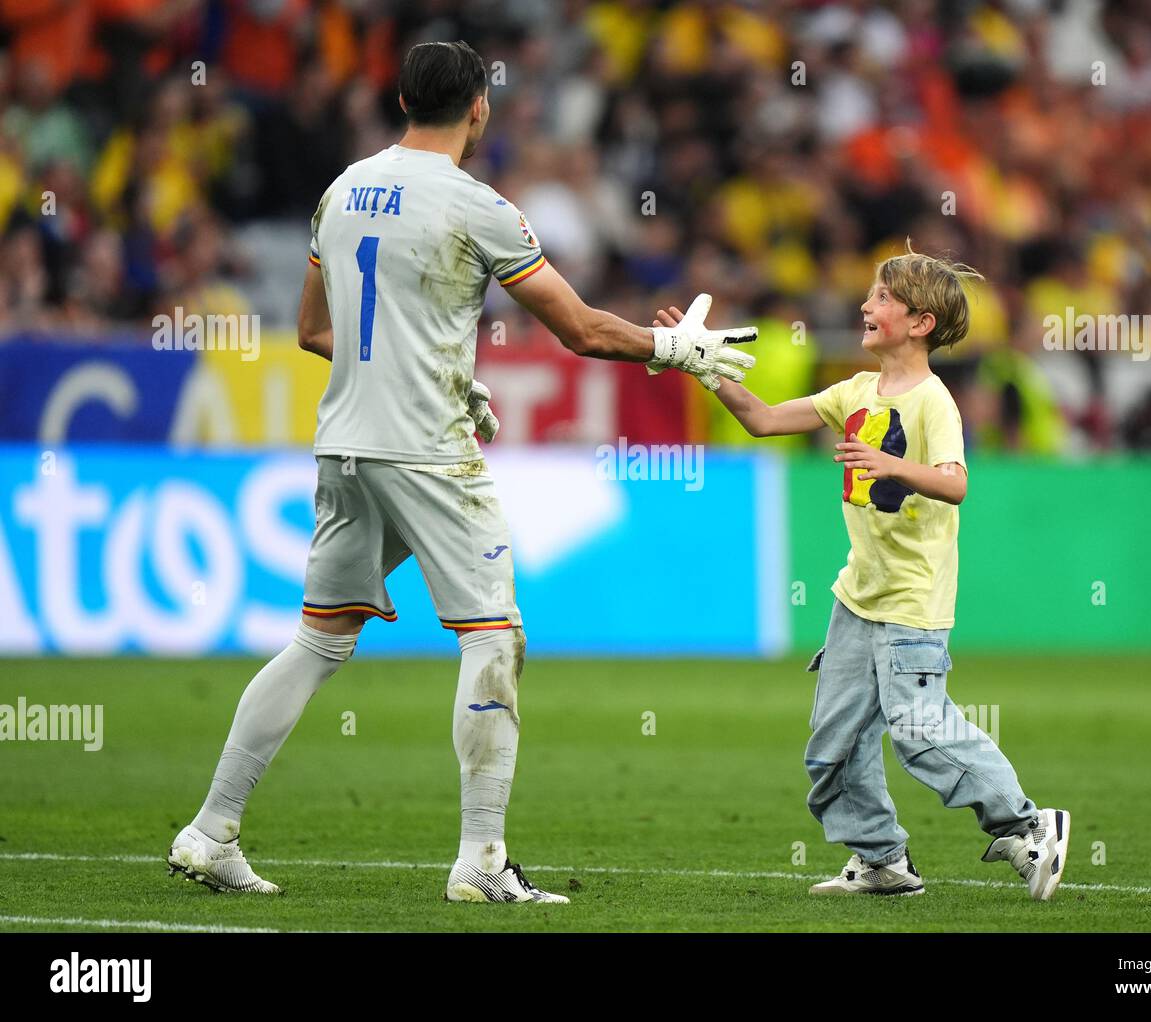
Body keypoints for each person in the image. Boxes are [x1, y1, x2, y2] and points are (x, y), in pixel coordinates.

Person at [168, 40, 756, 904]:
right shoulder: (479, 207)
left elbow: (312, 330)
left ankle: (210, 830)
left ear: (403, 100)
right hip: (427, 452)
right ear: (478, 106)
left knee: (318, 639)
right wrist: (677, 347)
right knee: (494, 637)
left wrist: (443, 370)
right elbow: (584, 331)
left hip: (347, 446)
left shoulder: (341, 191)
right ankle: (481, 862)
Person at [657, 242, 1070, 900]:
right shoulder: (854, 390)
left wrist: (893, 467)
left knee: (919, 729)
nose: (864, 305)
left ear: (920, 323)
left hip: (911, 604)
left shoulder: (934, 402)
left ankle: (1028, 825)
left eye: (881, 298)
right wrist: (703, 367)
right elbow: (762, 420)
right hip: (857, 600)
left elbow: (955, 484)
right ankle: (881, 858)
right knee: (832, 744)